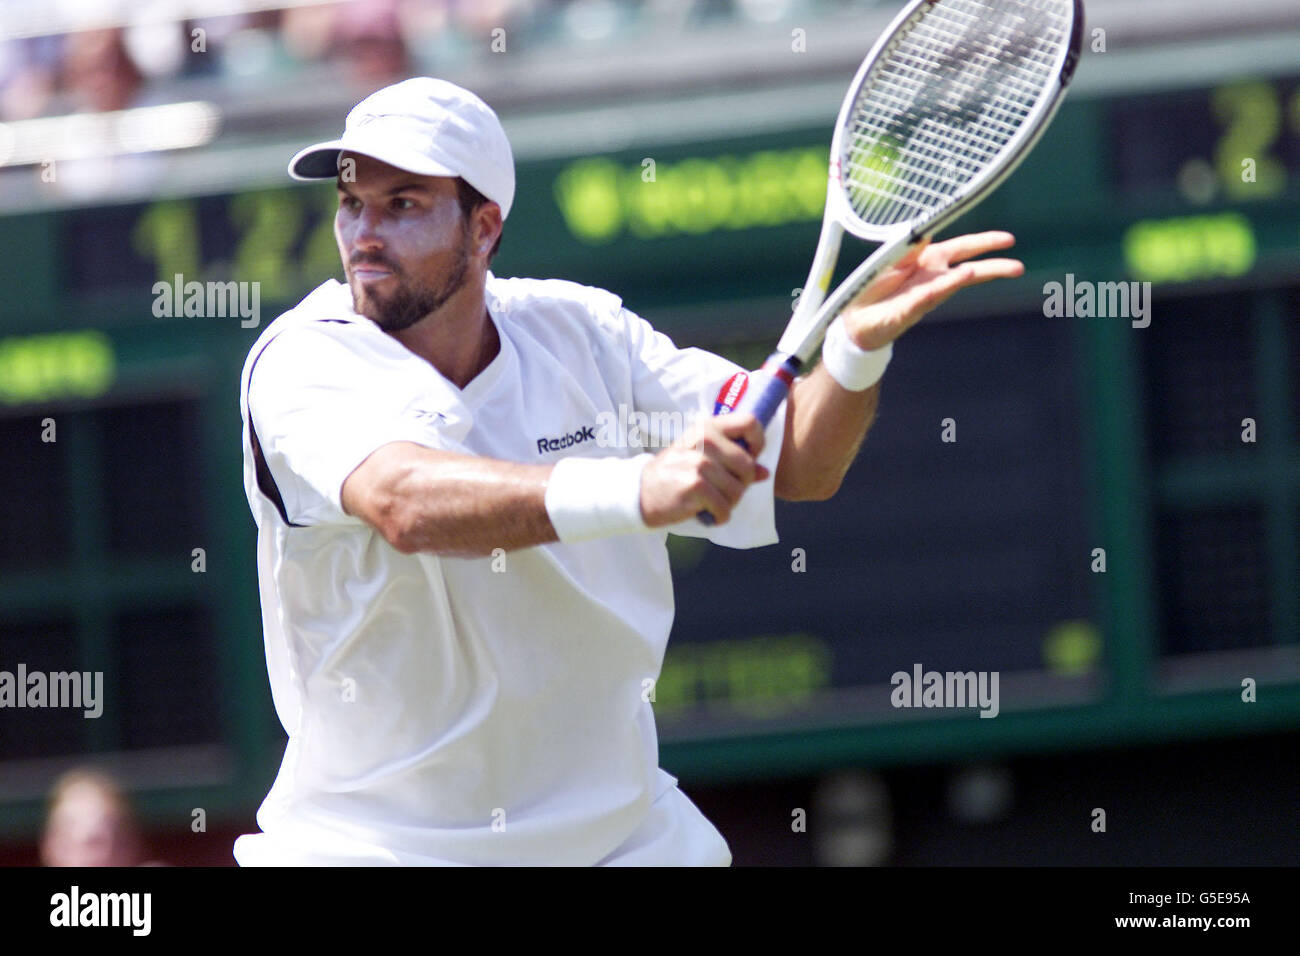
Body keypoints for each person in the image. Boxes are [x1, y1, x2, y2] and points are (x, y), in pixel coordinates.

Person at [234, 77, 1022, 866]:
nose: (364, 233)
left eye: (402, 204)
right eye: (352, 204)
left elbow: (801, 465)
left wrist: (854, 352)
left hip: (620, 839)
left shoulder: (585, 333)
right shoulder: (303, 359)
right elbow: (403, 502)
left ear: (483, 229)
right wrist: (639, 490)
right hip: (371, 850)